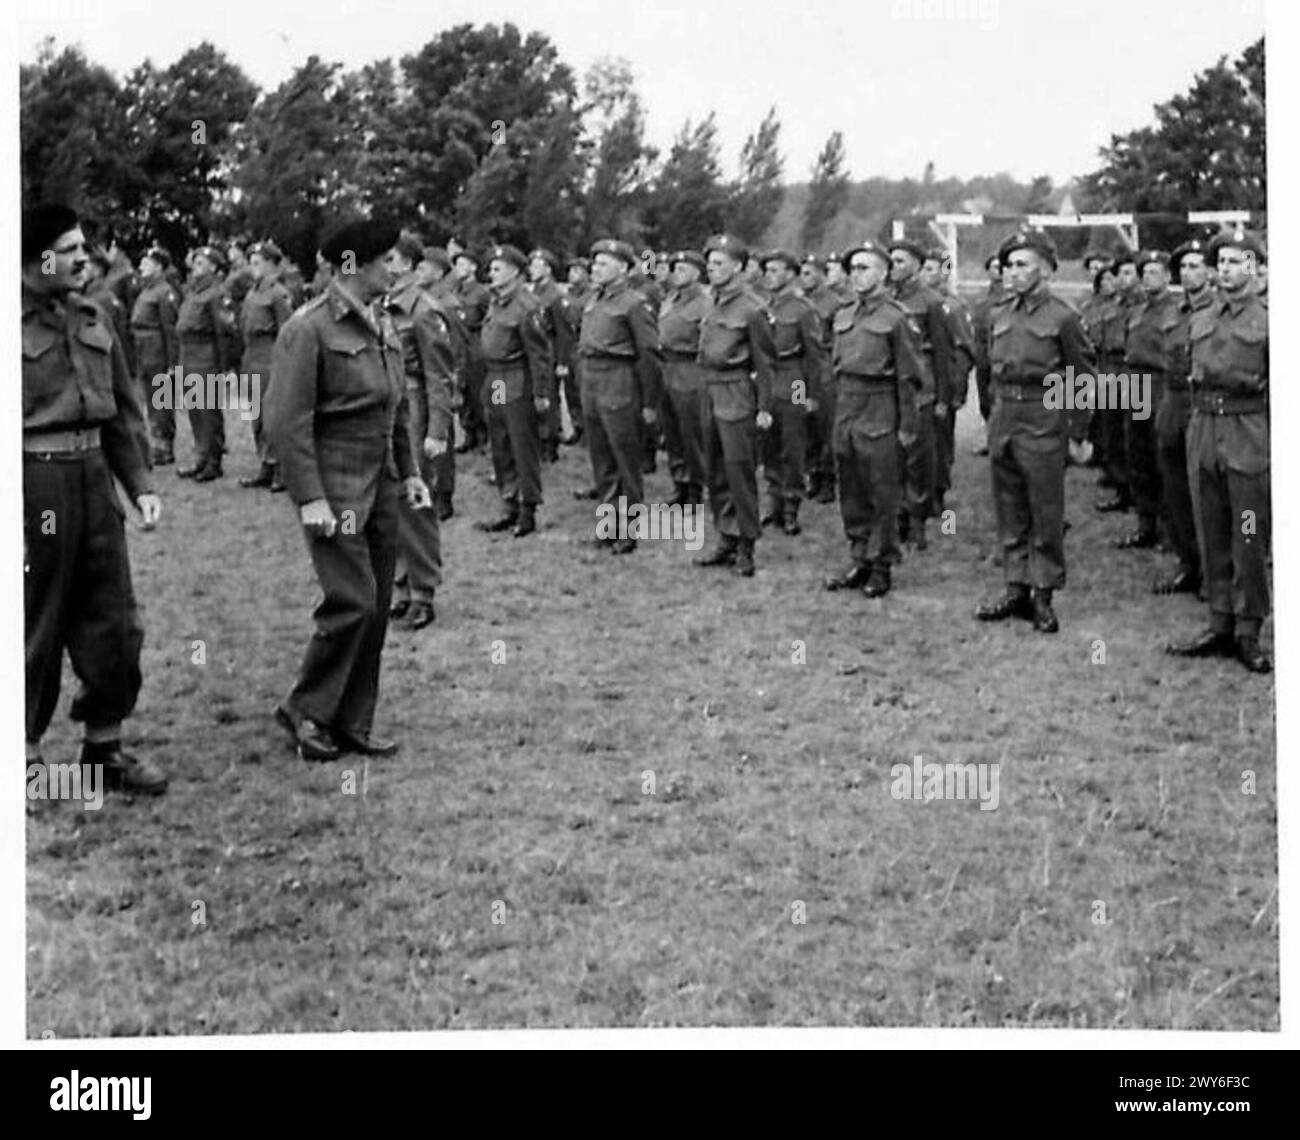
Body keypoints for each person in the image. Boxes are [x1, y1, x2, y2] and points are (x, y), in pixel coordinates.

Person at [265, 220, 432, 762]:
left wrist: (409, 473)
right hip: (334, 485)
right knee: (352, 600)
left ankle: (351, 719)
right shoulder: (307, 329)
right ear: (352, 266)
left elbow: (396, 405)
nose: (395, 267)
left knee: (378, 605)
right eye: (385, 259)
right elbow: (287, 422)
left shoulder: (381, 322)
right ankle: (306, 709)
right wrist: (309, 498)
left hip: (380, 481)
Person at [22, 203, 167, 794]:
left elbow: (124, 413)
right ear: (36, 257)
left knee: (115, 620)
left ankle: (102, 750)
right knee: (35, 620)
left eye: (85, 246)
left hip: (94, 476)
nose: (85, 256)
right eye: (71, 247)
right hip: (36, 482)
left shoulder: (94, 313)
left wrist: (141, 485)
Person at [975, 229, 1094, 633]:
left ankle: (1043, 594)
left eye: (1022, 264)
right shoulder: (999, 314)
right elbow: (991, 369)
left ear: (1045, 268)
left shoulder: (1063, 317)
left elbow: (1082, 376)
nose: (1012, 272)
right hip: (1006, 416)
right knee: (1009, 507)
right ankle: (1015, 587)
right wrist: (994, 417)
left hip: (1044, 415)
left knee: (1044, 509)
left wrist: (1078, 433)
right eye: (1008, 264)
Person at [1167, 231, 1271, 673]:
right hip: (1205, 429)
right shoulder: (1201, 317)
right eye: (1221, 261)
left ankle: (1249, 629)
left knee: (1247, 533)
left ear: (1255, 267)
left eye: (1237, 260)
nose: (1226, 268)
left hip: (1248, 431)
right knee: (1210, 528)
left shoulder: (1271, 320)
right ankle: (1220, 621)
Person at [823, 242, 925, 598]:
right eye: (853, 268)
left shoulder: (897, 318)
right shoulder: (842, 315)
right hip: (847, 405)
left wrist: (908, 426)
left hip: (880, 405)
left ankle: (881, 565)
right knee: (851, 488)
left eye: (865, 268)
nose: (857, 274)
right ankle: (859, 556)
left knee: (882, 490)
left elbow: (909, 377)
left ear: (883, 273)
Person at [693, 234, 777, 578]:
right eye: (710, 264)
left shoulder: (752, 308)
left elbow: (767, 362)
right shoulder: (711, 302)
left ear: (739, 267)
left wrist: (764, 407)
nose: (712, 270)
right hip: (709, 391)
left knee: (739, 471)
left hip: (737, 392)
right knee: (714, 471)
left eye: (720, 264)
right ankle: (725, 536)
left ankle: (746, 544)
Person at [384, 234, 455, 629]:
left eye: (390, 257)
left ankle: (424, 592)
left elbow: (440, 377)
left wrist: (438, 430)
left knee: (416, 502)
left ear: (407, 264)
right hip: (390, 406)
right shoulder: (381, 304)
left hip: (415, 406)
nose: (384, 263)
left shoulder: (424, 310)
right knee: (391, 500)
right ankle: (401, 585)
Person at [575, 239, 664, 554]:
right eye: (594, 263)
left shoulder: (634, 303)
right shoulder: (593, 300)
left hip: (619, 380)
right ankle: (607, 525)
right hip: (592, 380)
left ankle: (629, 530)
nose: (595, 268)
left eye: (603, 263)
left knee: (625, 459)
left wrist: (650, 401)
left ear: (624, 268)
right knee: (601, 460)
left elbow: (650, 354)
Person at [476, 245, 554, 538]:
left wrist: (542, 393)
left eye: (498, 268)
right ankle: (508, 501)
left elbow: (539, 353)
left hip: (516, 378)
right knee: (501, 441)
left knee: (522, 443)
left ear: (515, 273)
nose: (491, 273)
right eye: (491, 268)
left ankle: (528, 508)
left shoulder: (526, 305)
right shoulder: (496, 302)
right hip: (496, 378)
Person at [1153, 239, 1214, 596]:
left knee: (1203, 493)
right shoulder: (1173, 312)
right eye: (1185, 267)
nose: (1190, 272)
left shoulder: (1218, 309)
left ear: (1209, 271)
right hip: (1171, 401)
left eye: (1196, 265)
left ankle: (1212, 572)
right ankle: (1188, 564)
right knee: (1175, 489)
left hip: (1202, 403)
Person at [888, 238, 956, 550]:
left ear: (916, 265)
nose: (894, 266)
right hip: (893, 389)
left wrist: (944, 398)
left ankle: (918, 523)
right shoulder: (887, 299)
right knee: (894, 458)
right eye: (891, 260)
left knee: (919, 460)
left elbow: (943, 354)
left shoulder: (930, 302)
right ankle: (897, 517)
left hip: (923, 388)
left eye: (901, 260)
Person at [1112, 250, 1179, 549]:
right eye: (1146, 272)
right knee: (1138, 456)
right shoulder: (1136, 311)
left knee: (1161, 457)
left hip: (1159, 385)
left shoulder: (1175, 310)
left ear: (1167, 276)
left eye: (1155, 271)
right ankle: (1145, 523)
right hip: (1135, 384)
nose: (1149, 277)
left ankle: (1169, 528)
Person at [759, 249, 828, 535]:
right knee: (769, 446)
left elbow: (814, 354)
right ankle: (774, 503)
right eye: (767, 270)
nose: (769, 275)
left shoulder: (803, 309)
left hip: (794, 381)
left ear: (790, 274)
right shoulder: (764, 307)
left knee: (794, 445)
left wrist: (811, 394)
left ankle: (791, 506)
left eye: (775, 270)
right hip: (767, 382)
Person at [176, 244, 242, 481]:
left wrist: (224, 367)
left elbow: (224, 332)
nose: (196, 267)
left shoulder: (217, 293)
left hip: (206, 356)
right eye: (195, 263)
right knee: (194, 410)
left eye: (201, 263)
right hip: (188, 354)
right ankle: (201, 457)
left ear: (214, 268)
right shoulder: (193, 292)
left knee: (208, 411)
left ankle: (214, 461)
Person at [416, 244, 471, 520]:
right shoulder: (419, 300)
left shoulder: (447, 303)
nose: (417, 272)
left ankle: (443, 493)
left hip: (441, 378)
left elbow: (458, 349)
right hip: (422, 378)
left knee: (441, 436)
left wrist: (457, 386)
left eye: (422, 267)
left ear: (438, 272)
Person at [237, 240, 295, 492]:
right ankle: (265, 464)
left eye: (258, 263)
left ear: (272, 265)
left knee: (273, 416)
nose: (253, 268)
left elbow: (287, 331)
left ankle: (281, 468)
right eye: (250, 263)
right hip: (251, 355)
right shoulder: (253, 293)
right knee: (256, 416)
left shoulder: (278, 293)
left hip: (270, 356)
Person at [658, 249, 712, 508]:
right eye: (675, 267)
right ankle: (679, 482)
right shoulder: (670, 298)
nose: (675, 272)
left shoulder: (705, 302)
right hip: (666, 366)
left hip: (690, 369)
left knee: (691, 432)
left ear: (697, 272)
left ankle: (695, 488)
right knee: (672, 431)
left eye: (682, 268)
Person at [799, 253, 846, 503]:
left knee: (825, 424)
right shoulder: (798, 302)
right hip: (800, 370)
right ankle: (812, 474)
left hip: (823, 368)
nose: (803, 278)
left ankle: (828, 478)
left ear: (820, 274)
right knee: (803, 422)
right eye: (801, 273)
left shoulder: (834, 303)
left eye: (808, 273)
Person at [129, 245, 180, 465]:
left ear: (158, 267)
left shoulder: (164, 292)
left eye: (146, 263)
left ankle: (164, 446)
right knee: (151, 398)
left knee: (162, 399)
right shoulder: (146, 290)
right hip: (143, 349)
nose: (141, 266)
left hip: (157, 349)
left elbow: (170, 329)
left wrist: (172, 363)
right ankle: (156, 442)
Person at [528, 248, 570, 464]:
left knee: (549, 398)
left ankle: (550, 443)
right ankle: (537, 439)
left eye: (536, 266)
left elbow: (563, 332)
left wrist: (562, 361)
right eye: (531, 265)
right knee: (534, 395)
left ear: (548, 269)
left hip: (548, 348)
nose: (532, 270)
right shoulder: (531, 292)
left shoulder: (555, 295)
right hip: (533, 349)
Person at [452, 248, 490, 452]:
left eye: (462, 264)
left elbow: (490, 319)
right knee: (462, 393)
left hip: (476, 348)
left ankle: (486, 435)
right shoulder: (455, 292)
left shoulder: (482, 293)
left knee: (480, 394)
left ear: (473, 268)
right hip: (458, 348)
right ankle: (469, 433)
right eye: (456, 264)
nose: (458, 268)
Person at [969, 253, 1006, 456]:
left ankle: (999, 439)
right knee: (985, 400)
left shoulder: (1012, 298)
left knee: (999, 398)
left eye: (1001, 267)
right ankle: (989, 435)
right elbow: (976, 331)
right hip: (983, 357)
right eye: (993, 267)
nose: (997, 271)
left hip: (1003, 356)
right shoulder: (981, 300)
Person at [560, 256, 593, 445]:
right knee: (570, 390)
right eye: (571, 270)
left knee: (583, 390)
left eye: (577, 271)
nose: (573, 274)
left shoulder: (591, 295)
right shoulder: (566, 294)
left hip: (582, 346)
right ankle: (577, 427)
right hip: (568, 345)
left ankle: (589, 432)